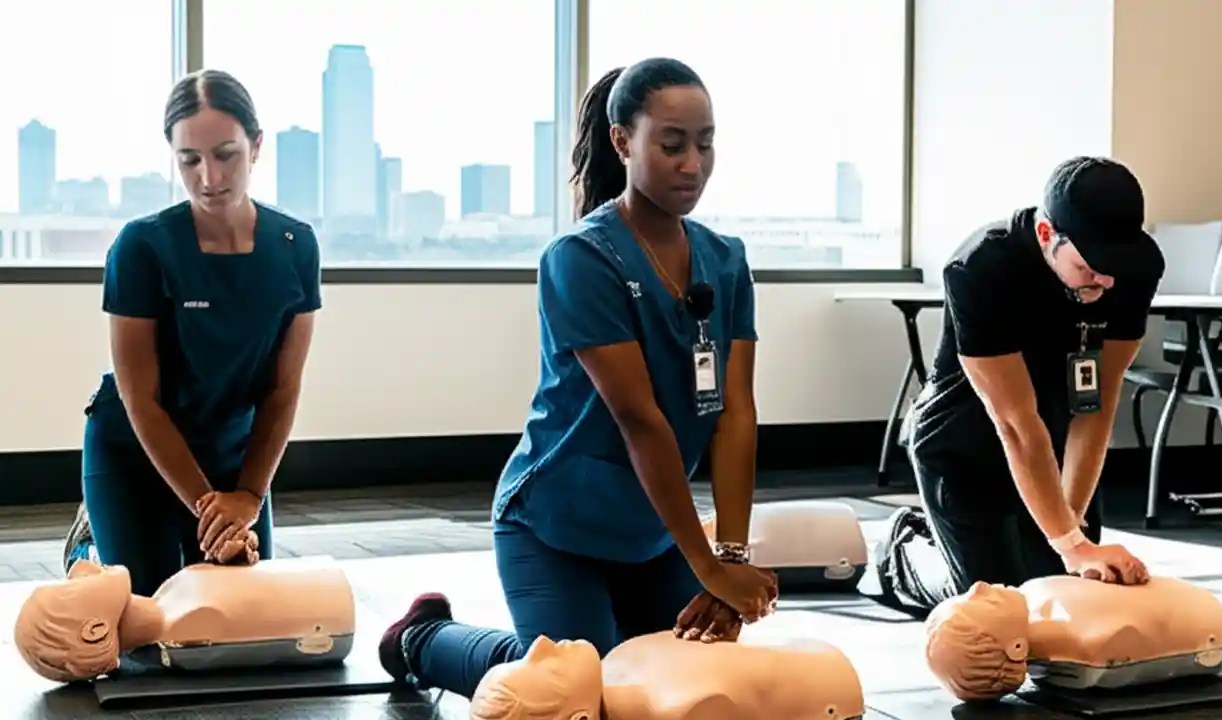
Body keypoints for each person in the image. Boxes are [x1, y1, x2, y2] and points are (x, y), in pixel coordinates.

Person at [378, 57, 778, 699]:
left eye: (705, 144)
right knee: (575, 685)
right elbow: (640, 421)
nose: (693, 165)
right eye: (671, 145)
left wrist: (727, 560)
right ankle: (421, 638)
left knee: (684, 686)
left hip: (653, 534)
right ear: (622, 141)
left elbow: (735, 412)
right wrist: (707, 565)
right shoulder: (581, 258)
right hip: (554, 527)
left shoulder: (725, 260)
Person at [66, 69, 322, 597]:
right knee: (150, 620)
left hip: (231, 453)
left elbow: (282, 388)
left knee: (239, 611)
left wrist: (248, 496)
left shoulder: (296, 246)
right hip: (136, 449)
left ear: (256, 146)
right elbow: (141, 400)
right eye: (190, 160)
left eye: (226, 154)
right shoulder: (141, 247)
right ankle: (90, 547)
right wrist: (213, 511)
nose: (209, 177)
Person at [876, 156, 1166, 614]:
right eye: (1090, 267)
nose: (1107, 281)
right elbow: (1013, 422)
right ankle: (902, 555)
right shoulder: (981, 267)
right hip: (964, 439)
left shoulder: (1135, 268)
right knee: (996, 608)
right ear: (1048, 236)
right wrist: (1070, 543)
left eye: (1117, 266)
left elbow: (1098, 402)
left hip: (1054, 431)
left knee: (1065, 596)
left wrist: (1068, 537)